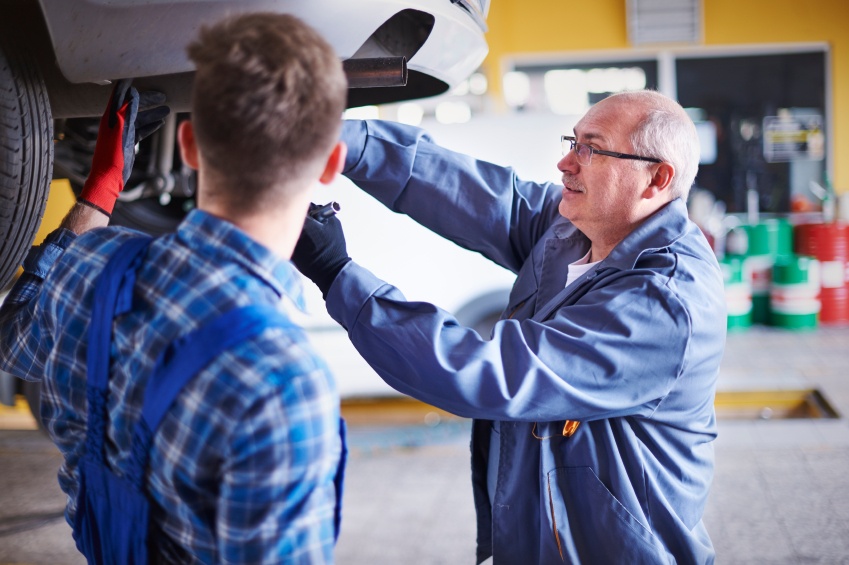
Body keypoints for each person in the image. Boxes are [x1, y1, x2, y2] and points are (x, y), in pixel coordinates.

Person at [292, 90, 726, 564]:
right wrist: (342, 141)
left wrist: (337, 272)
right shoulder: (576, 230)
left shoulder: (665, 302)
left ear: (656, 178)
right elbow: (476, 194)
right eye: (572, 141)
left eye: (591, 149)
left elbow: (490, 373)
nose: (566, 162)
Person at [0, 13, 348, 563]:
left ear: (188, 145)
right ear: (333, 162)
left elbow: (13, 335)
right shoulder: (283, 381)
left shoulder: (88, 267)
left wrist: (99, 191)